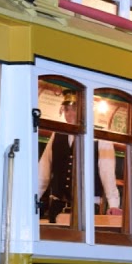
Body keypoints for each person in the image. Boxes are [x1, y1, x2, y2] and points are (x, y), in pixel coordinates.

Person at [37, 90, 121, 222]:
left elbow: (107, 173)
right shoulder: (57, 134)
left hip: (86, 205)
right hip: (57, 205)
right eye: (67, 110)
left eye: (74, 109)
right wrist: (32, 198)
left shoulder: (100, 137)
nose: (70, 114)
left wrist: (114, 204)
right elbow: (43, 170)